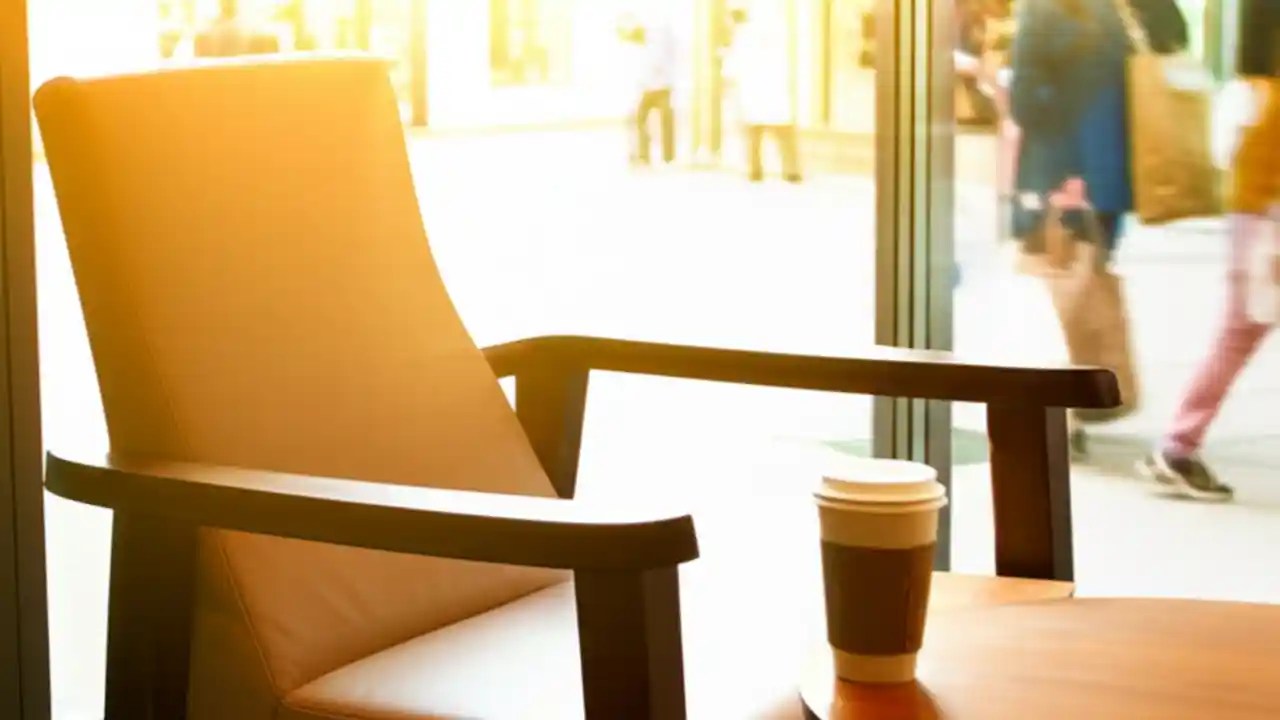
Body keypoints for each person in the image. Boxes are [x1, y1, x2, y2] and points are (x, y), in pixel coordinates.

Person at [1009, 0, 1186, 454]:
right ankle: (1064, 405)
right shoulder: (1046, 10)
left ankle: (1079, 395)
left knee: (1085, 282)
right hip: (1068, 173)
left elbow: (1174, 37)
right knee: (1066, 285)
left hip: (1109, 175)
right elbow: (1026, 99)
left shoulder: (1122, 8)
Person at [1141, 1, 1280, 501]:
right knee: (1237, 335)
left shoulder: (1248, 92)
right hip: (1266, 228)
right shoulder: (1265, 95)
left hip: (1255, 224)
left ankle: (1179, 443)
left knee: (1236, 336)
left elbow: (1227, 157)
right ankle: (1177, 445)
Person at [723, 5, 802, 183]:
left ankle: (755, 171)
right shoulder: (774, 32)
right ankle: (791, 171)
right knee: (784, 134)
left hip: (754, 93)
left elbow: (732, 68)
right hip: (775, 91)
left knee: (753, 136)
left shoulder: (742, 37)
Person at [620, 11, 677, 166]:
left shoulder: (654, 41)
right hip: (650, 88)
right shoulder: (643, 45)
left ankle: (667, 156)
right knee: (642, 120)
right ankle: (646, 155)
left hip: (661, 87)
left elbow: (658, 64)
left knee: (664, 120)